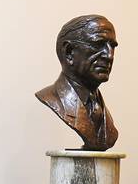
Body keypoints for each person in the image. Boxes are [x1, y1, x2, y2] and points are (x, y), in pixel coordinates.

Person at [35, 15, 119, 150]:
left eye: (112, 47)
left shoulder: (101, 109)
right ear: (69, 52)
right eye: (98, 44)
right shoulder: (53, 98)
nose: (109, 55)